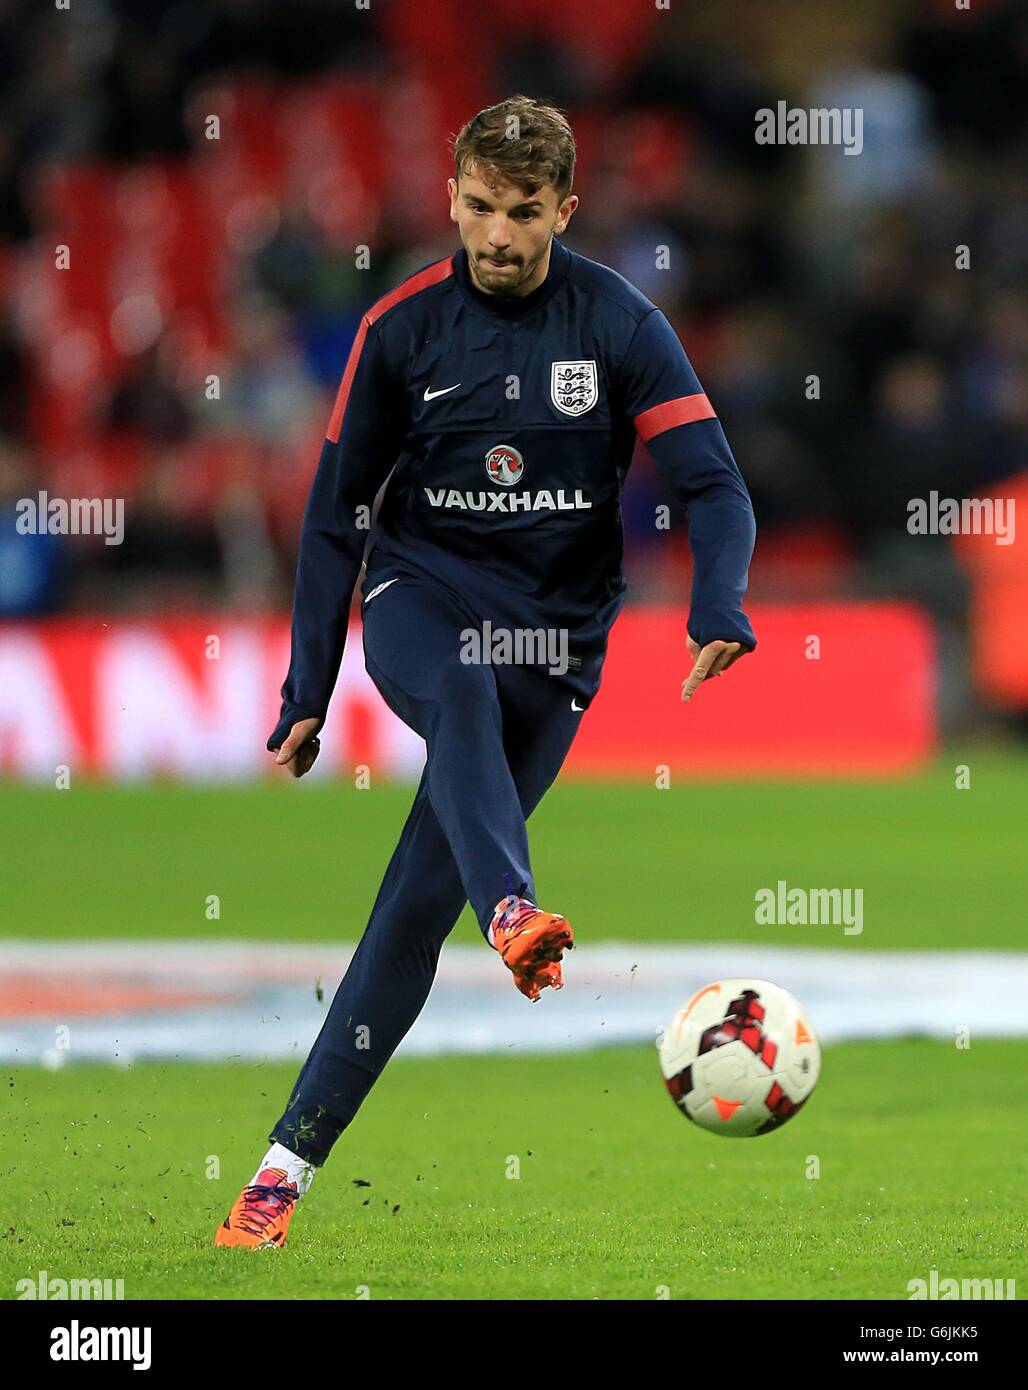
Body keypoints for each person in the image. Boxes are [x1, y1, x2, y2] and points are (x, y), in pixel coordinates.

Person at [215, 95, 756, 1249]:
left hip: (558, 651)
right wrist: (307, 685)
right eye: (476, 207)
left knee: (411, 911)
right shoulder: (401, 329)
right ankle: (511, 903)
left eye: (521, 212)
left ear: (564, 207)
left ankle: (276, 1173)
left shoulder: (617, 324)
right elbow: (331, 520)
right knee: (454, 683)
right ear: (448, 198)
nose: (496, 235)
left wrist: (716, 601)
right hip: (425, 596)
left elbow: (711, 485)